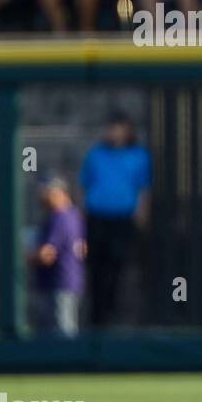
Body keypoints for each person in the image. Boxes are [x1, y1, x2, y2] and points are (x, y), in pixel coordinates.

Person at [78, 112, 151, 327]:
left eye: (118, 128)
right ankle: (96, 318)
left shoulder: (138, 155)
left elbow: (144, 188)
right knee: (95, 268)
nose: (114, 133)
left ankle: (111, 316)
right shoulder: (96, 154)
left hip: (122, 220)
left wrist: (142, 215)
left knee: (117, 268)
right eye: (111, 128)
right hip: (97, 218)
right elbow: (84, 185)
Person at [30, 177, 86, 337]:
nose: (44, 198)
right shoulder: (75, 216)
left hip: (58, 284)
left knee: (60, 337)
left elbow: (47, 254)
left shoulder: (60, 217)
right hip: (70, 282)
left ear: (60, 193)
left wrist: (23, 257)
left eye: (47, 193)